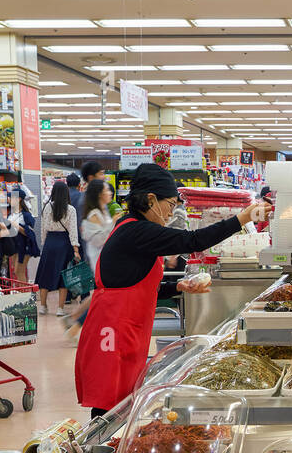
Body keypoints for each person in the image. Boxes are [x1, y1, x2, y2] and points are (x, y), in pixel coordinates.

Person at [74, 163, 270, 417]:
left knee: (120, 404)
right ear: (151, 199)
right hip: (112, 331)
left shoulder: (132, 226)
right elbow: (193, 240)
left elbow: (132, 281)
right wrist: (242, 218)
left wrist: (176, 285)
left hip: (124, 327)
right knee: (108, 408)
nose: (170, 213)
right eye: (169, 204)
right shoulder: (137, 230)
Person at [64, 178, 115, 337]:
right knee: (102, 296)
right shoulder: (94, 214)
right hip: (99, 261)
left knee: (99, 295)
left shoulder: (103, 211)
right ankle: (76, 328)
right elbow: (99, 239)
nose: (109, 193)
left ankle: (74, 319)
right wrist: (114, 223)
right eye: (106, 190)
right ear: (99, 194)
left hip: (106, 259)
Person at [35, 181, 81, 316]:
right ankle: (60, 309)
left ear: (53, 192)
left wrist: (44, 244)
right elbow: (73, 231)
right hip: (64, 243)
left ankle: (43, 306)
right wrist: (76, 249)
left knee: (45, 275)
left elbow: (43, 228)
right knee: (63, 276)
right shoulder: (71, 209)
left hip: (50, 242)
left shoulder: (46, 207)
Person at [3, 186, 38, 283]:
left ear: (18, 199)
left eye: (11, 197)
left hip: (25, 246)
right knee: (16, 271)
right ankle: (22, 294)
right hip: (14, 246)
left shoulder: (26, 215)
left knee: (19, 271)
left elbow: (30, 233)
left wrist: (15, 225)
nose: (9, 199)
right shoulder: (11, 214)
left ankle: (25, 295)